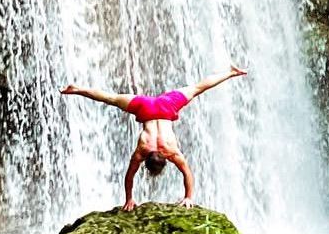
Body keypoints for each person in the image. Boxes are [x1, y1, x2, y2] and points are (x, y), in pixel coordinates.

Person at [60, 66, 247, 211]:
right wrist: (188, 198)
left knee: (112, 98)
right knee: (198, 87)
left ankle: (78, 88)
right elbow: (187, 174)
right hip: (161, 106)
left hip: (153, 107)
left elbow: (130, 176)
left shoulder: (158, 151)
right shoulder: (162, 150)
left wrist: (129, 200)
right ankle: (230, 72)